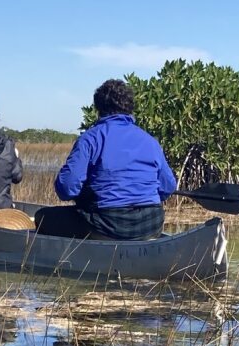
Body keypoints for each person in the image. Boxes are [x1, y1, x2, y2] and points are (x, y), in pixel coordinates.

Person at [36, 79, 176, 240]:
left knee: (42, 216)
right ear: (130, 109)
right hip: (152, 224)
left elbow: (66, 189)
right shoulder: (151, 141)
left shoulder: (90, 139)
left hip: (108, 225)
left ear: (99, 108)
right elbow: (168, 187)